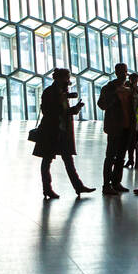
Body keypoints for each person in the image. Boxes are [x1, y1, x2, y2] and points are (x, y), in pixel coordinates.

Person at [33, 68, 94, 199]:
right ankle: (48, 189)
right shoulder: (50, 92)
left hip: (61, 131)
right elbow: (49, 111)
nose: (68, 81)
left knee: (66, 159)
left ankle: (78, 186)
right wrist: (68, 107)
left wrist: (74, 109)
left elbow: (63, 111)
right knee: (47, 160)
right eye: (67, 78)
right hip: (51, 132)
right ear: (59, 78)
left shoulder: (61, 92)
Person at [97, 63, 134, 195]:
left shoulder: (130, 88)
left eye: (125, 71)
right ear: (116, 72)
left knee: (121, 157)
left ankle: (116, 182)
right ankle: (106, 185)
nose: (124, 74)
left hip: (127, 127)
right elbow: (101, 104)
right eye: (121, 71)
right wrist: (114, 95)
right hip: (115, 127)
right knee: (110, 156)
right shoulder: (108, 88)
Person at [125, 73, 138, 169]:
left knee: (135, 142)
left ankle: (135, 161)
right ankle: (131, 160)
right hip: (130, 120)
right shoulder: (126, 89)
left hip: (136, 120)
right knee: (130, 142)